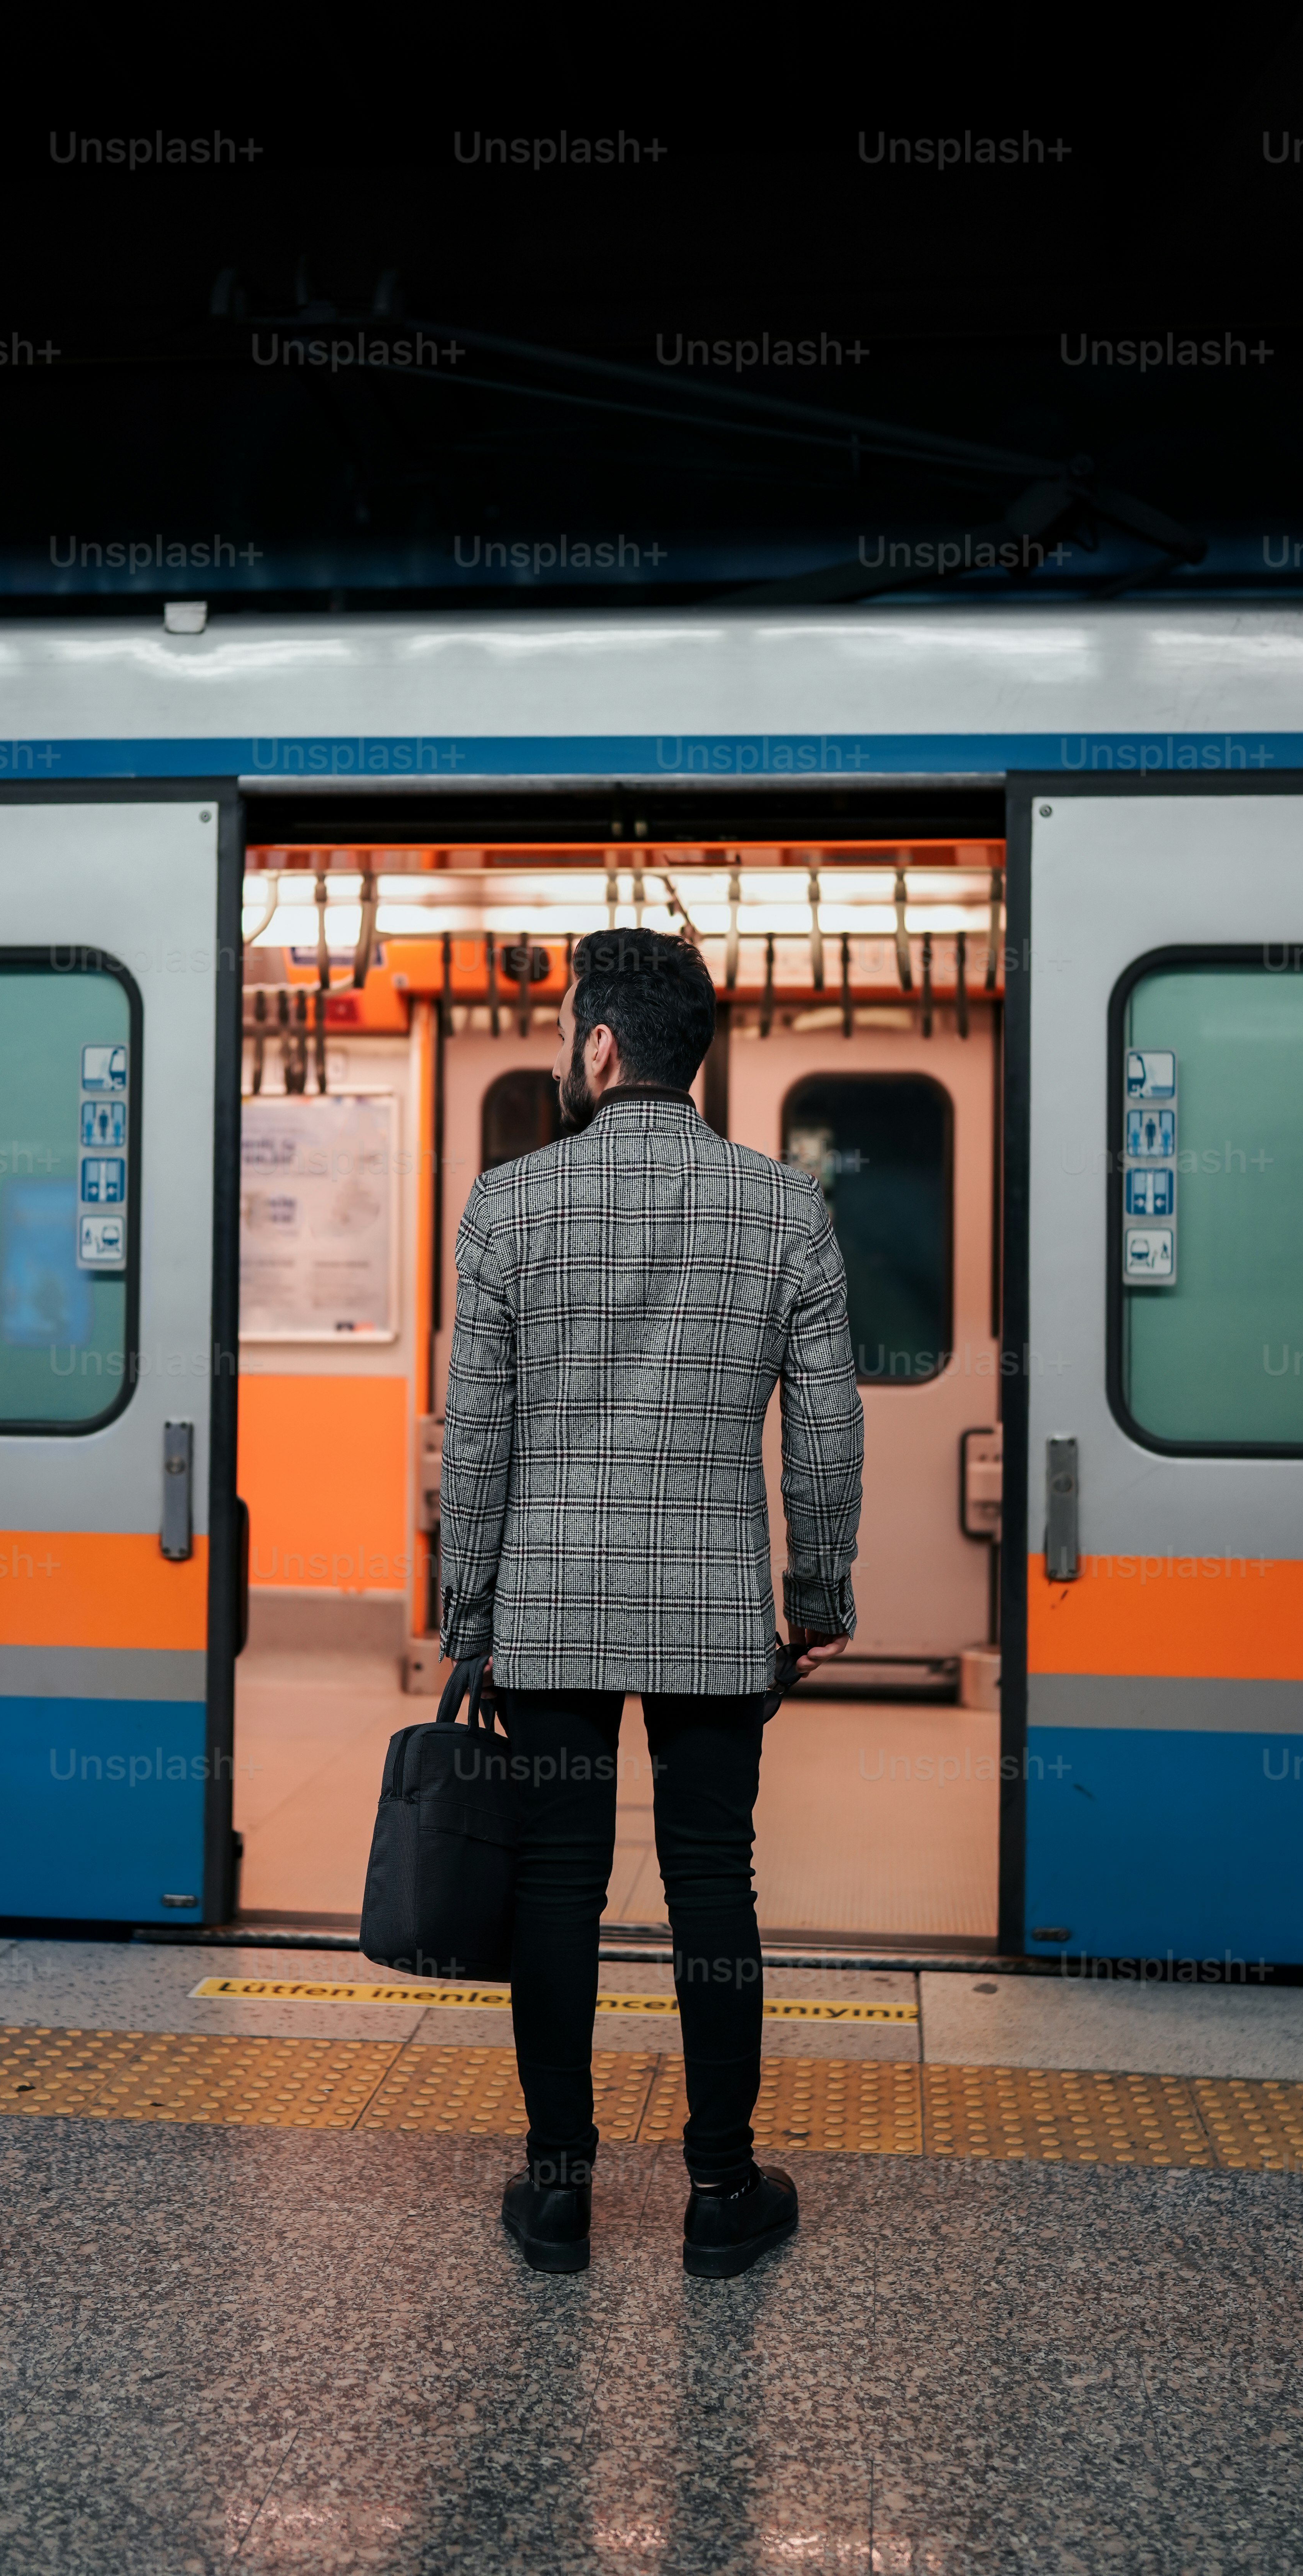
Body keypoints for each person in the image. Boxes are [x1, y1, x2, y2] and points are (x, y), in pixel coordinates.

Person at [437, 925, 864, 2279]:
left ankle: (559, 2192)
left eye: (569, 1030)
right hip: (714, 1611)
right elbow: (832, 1426)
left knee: (556, 1889)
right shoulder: (784, 1208)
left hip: (550, 1605)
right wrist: (816, 1590)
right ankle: (722, 2194)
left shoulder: (508, 1208)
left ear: (601, 1047)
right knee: (711, 1887)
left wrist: (470, 1612)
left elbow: (478, 1433)